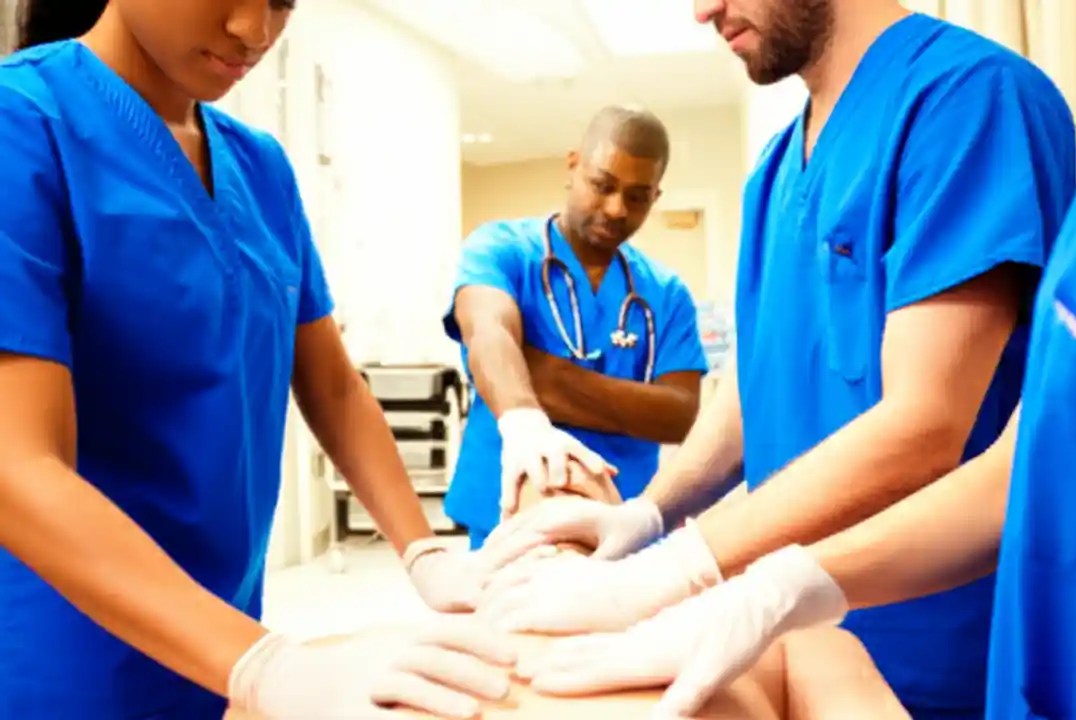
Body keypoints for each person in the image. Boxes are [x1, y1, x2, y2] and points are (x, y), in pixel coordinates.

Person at [514, 0, 1076, 718]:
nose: (702, 9)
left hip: (924, 649)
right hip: (806, 643)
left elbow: (925, 425)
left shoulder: (968, 101)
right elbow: (769, 378)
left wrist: (693, 568)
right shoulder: (775, 172)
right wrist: (652, 518)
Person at [0, 2, 545, 718]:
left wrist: (425, 555)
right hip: (68, 659)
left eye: (283, 0)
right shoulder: (23, 126)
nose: (255, 31)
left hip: (222, 639)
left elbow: (333, 387)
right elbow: (17, 464)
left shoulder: (260, 167)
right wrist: (266, 665)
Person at [225, 459, 910, 720]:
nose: (555, 486)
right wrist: (267, 674)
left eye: (581, 485)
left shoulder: (763, 636)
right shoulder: (373, 655)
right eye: (533, 497)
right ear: (487, 550)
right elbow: (248, 694)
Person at [442, 105, 709, 549]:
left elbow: (679, 415)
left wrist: (545, 378)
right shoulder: (501, 249)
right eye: (602, 185)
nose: (616, 208)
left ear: (656, 197)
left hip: (622, 522)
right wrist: (527, 422)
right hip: (510, 516)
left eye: (638, 196)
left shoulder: (666, 292)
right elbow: (489, 334)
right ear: (573, 166)